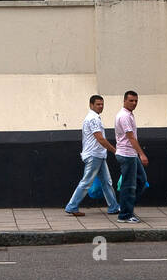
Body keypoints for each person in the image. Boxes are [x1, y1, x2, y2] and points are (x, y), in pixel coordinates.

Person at [64, 95, 120, 216]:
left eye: (102, 104)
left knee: (106, 182)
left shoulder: (94, 118)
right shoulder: (93, 119)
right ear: (91, 105)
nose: (101, 106)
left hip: (98, 155)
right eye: (98, 104)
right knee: (86, 182)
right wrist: (115, 150)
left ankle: (114, 207)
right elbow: (100, 138)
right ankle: (72, 206)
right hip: (94, 155)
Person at [114, 90, 149, 223]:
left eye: (136, 101)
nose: (134, 103)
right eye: (131, 100)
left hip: (131, 154)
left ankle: (127, 207)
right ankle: (124, 215)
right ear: (124, 101)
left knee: (141, 180)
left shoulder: (129, 115)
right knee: (128, 186)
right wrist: (142, 154)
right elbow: (131, 138)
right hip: (127, 154)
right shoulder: (124, 116)